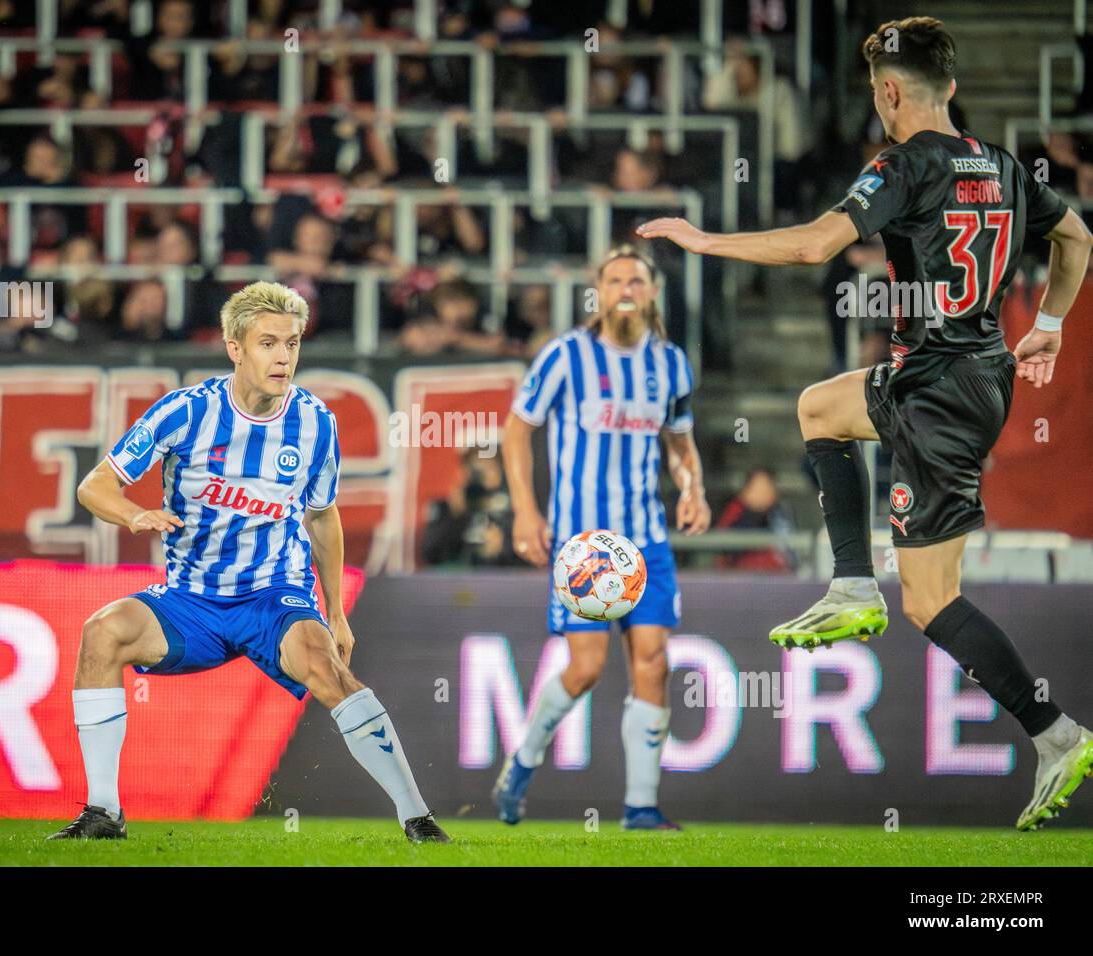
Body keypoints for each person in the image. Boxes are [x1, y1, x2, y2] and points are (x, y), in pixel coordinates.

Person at [638, 16, 1093, 831]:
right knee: (821, 406)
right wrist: (1051, 321)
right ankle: (852, 580)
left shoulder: (904, 164)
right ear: (948, 87)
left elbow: (818, 246)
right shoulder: (999, 164)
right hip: (959, 372)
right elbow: (1076, 236)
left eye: (878, 92)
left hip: (941, 392)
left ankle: (1054, 732)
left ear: (889, 92)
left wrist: (702, 239)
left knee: (929, 600)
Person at [54, 281, 449, 844]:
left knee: (328, 668)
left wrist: (335, 611)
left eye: (292, 343)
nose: (283, 357)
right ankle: (102, 812)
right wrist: (135, 516)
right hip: (190, 600)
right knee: (101, 634)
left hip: (274, 596)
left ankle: (418, 819)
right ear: (234, 347)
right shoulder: (188, 412)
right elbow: (95, 487)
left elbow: (322, 517)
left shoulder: (315, 423)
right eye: (268, 343)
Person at [493, 245, 711, 831]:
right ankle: (523, 761)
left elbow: (679, 441)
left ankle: (641, 806)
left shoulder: (670, 363)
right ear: (598, 290)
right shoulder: (566, 355)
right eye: (614, 278)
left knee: (653, 661)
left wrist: (692, 488)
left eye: (635, 279)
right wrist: (523, 511)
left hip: (647, 540)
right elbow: (517, 433)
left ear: (651, 291)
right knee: (585, 668)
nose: (624, 287)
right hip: (583, 544)